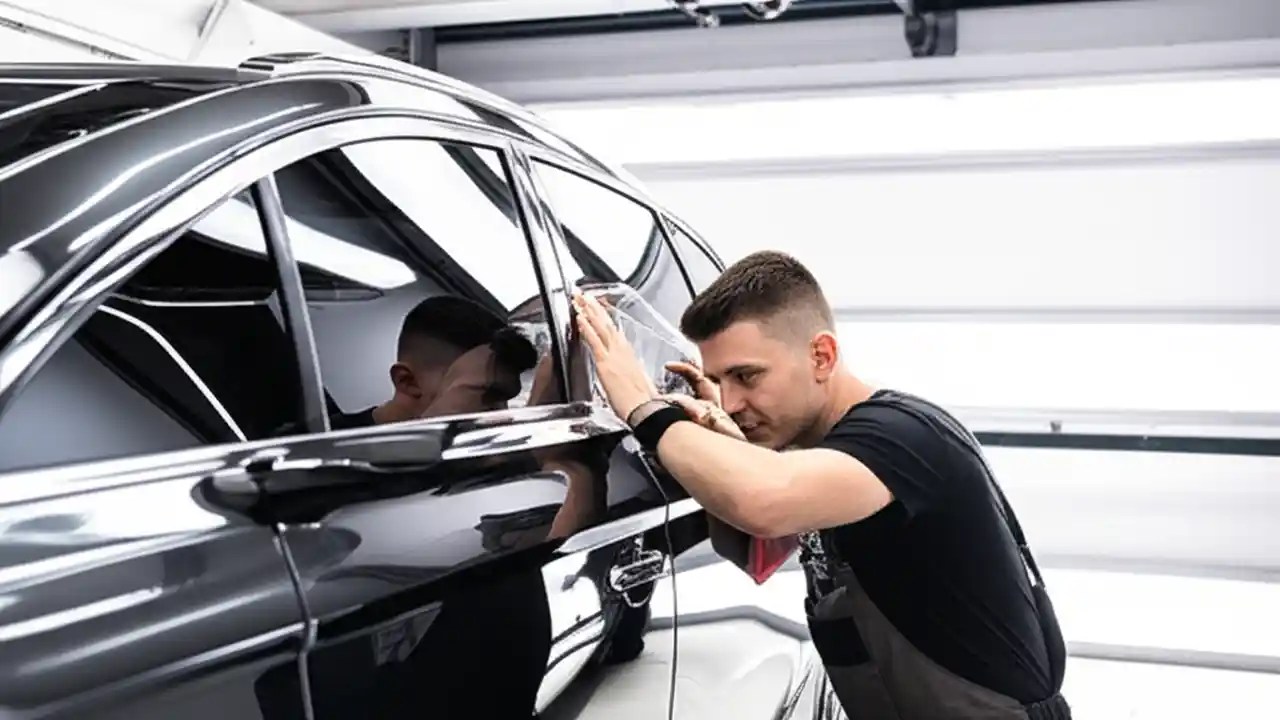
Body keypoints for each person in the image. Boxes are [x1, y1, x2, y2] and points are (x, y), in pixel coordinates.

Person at [572, 250, 1070, 720]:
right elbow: (758, 550)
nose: (730, 401)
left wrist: (642, 405)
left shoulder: (901, 437)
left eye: (747, 376)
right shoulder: (823, 449)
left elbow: (763, 502)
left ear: (822, 356)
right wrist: (732, 447)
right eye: (718, 381)